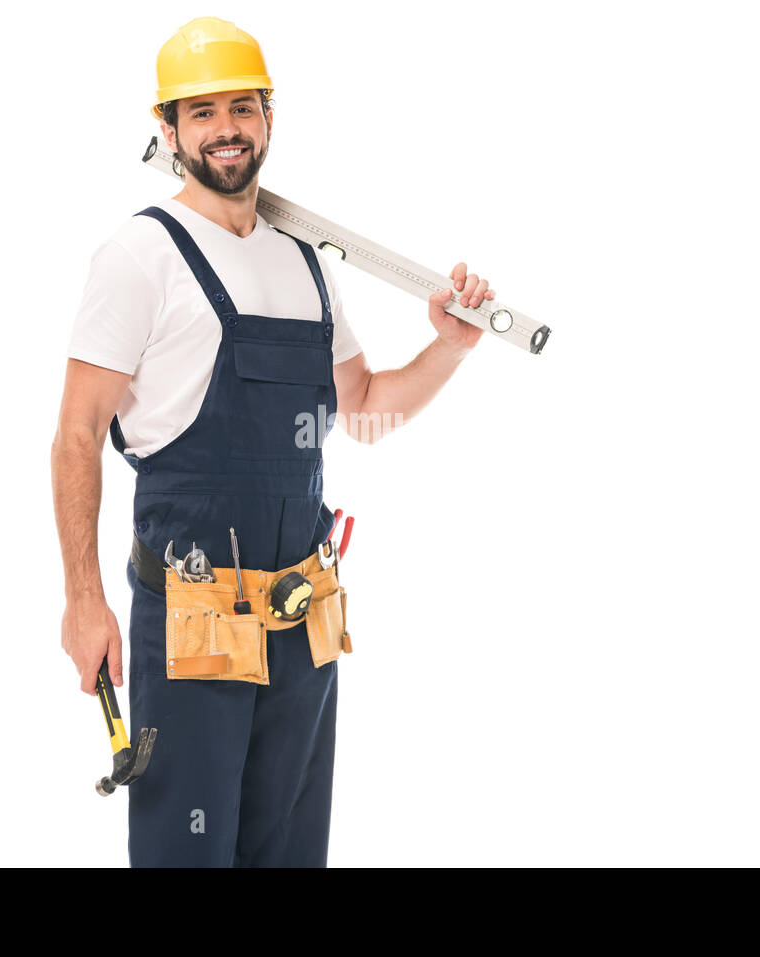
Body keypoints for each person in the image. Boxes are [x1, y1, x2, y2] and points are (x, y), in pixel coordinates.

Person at [50, 16, 495, 867]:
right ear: (169, 128)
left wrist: (448, 346)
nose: (227, 128)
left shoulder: (306, 261)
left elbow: (363, 406)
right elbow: (74, 436)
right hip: (195, 630)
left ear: (268, 119)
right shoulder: (139, 256)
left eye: (244, 108)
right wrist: (83, 599)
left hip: (303, 623)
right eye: (204, 110)